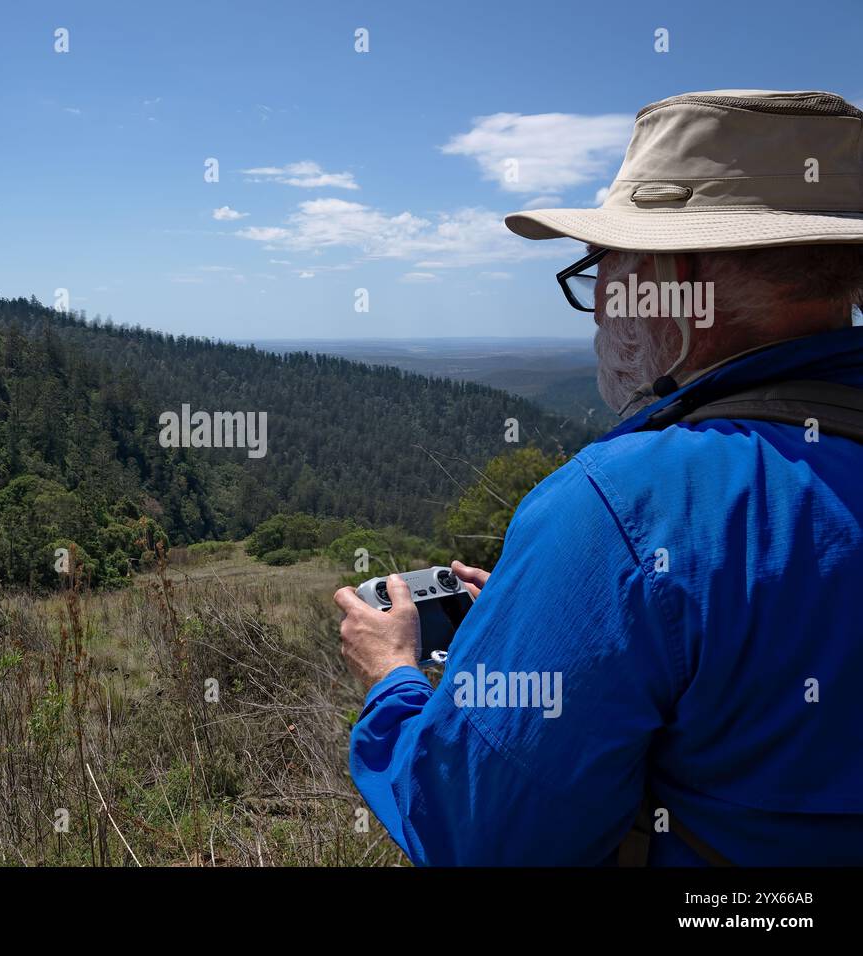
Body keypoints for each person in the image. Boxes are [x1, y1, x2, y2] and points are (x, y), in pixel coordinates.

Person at [334, 90, 863, 865]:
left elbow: (475, 834)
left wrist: (394, 681)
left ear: (670, 276)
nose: (595, 311)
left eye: (601, 268)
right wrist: (549, 607)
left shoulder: (626, 507)